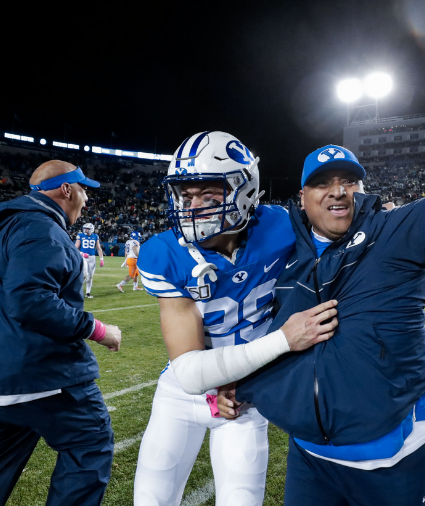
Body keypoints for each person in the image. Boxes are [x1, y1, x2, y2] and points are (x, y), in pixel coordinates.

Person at [231, 3, 425, 503]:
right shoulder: (277, 247)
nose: (337, 192)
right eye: (322, 184)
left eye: (348, 180)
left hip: (396, 457)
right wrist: (241, 385)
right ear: (301, 197)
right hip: (308, 456)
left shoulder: (397, 232)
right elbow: (253, 327)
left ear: (362, 190)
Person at [132, 131, 338, 506]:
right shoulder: (163, 253)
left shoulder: (281, 227)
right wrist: (283, 342)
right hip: (183, 395)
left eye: (207, 193)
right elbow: (191, 372)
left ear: (244, 191)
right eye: (184, 194)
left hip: (246, 397)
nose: (192, 205)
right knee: (151, 500)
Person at [0, 161, 122, 506]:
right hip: (39, 374)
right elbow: (30, 301)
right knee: (89, 444)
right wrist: (98, 329)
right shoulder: (40, 227)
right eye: (83, 189)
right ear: (66, 189)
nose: (87, 199)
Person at [76, 222, 105, 298]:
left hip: (92, 258)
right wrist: (82, 254)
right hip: (83, 257)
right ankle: (77, 291)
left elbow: (98, 248)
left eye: (87, 229)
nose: (85, 230)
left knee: (90, 276)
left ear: (91, 230)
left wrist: (101, 259)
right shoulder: (80, 235)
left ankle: (88, 293)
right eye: (85, 229)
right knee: (84, 274)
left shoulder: (95, 236)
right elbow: (75, 248)